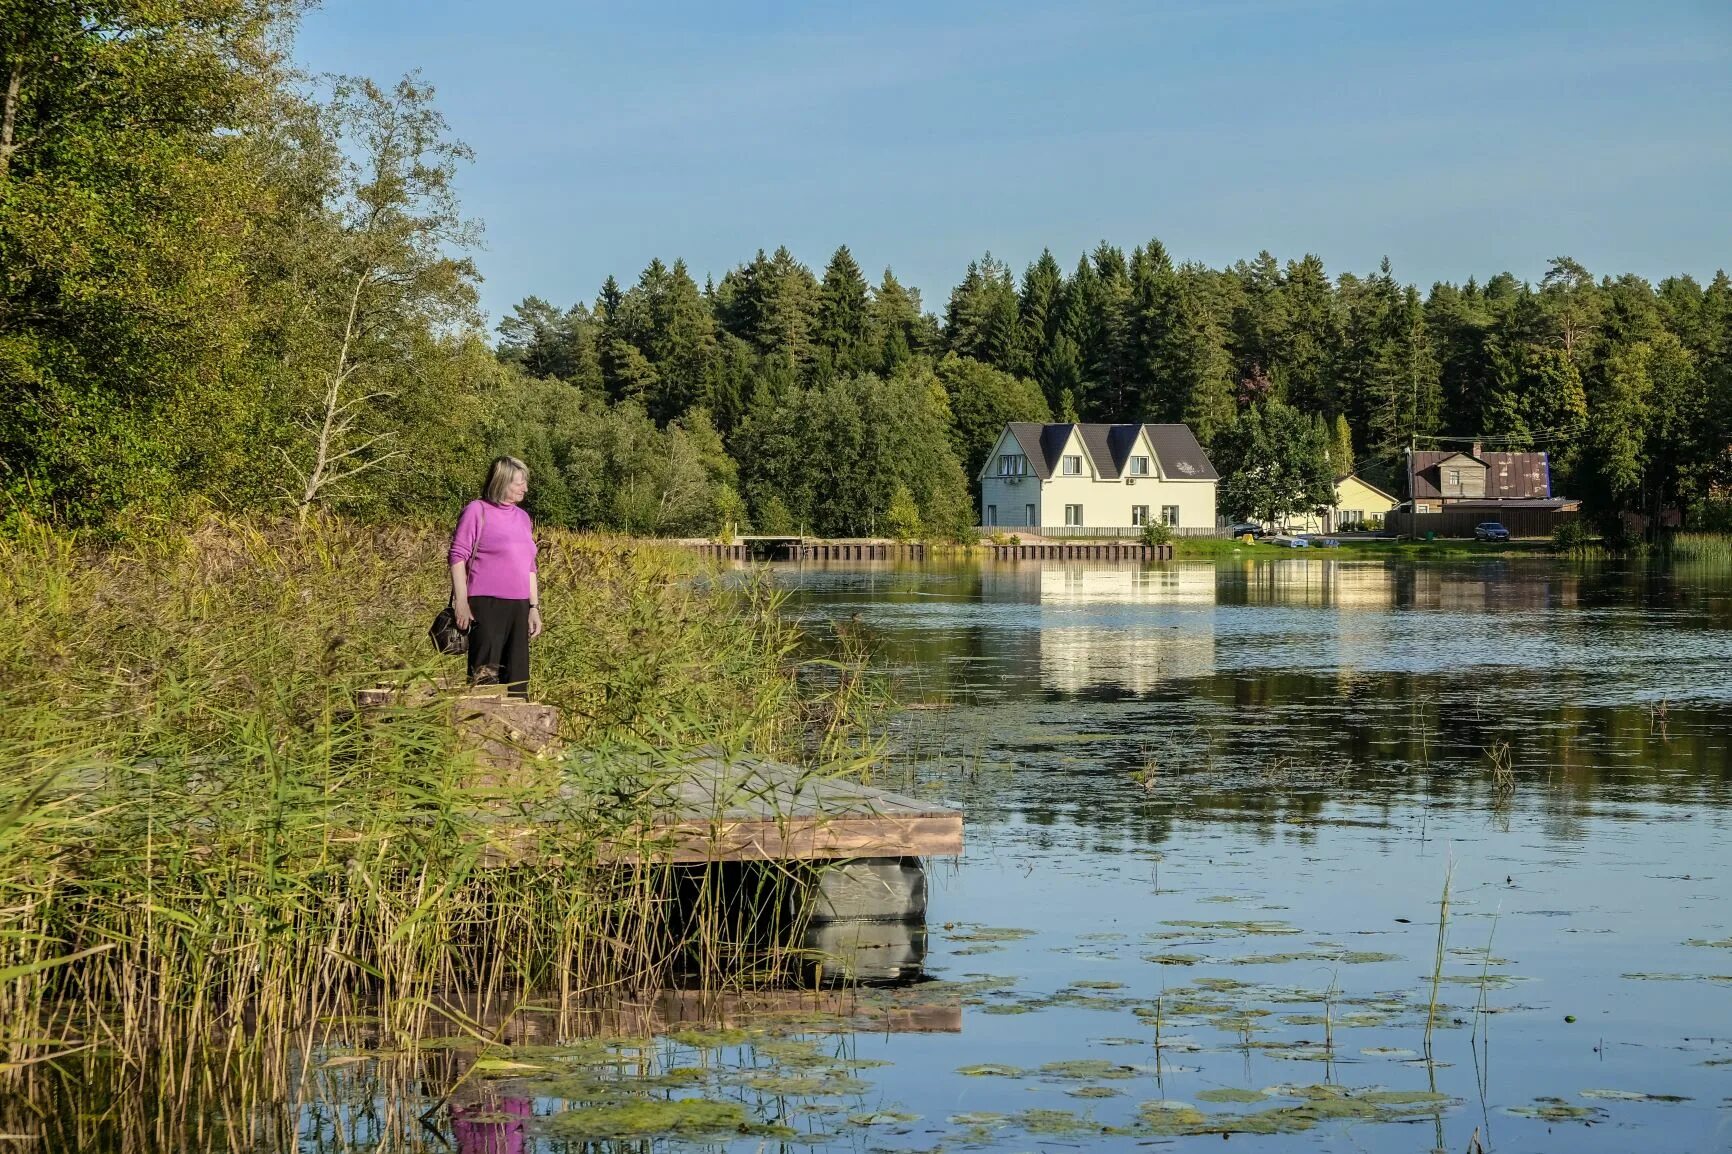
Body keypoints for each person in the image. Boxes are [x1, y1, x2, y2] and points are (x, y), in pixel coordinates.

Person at [449, 456, 542, 698]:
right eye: (519, 483)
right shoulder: (476, 511)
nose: (526, 488)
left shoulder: (523, 518)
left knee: (517, 679)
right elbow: (458, 556)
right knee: (485, 677)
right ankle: (480, 730)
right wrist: (461, 601)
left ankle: (515, 731)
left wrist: (534, 606)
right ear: (502, 482)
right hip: (486, 605)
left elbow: (529, 566)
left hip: (519, 606)